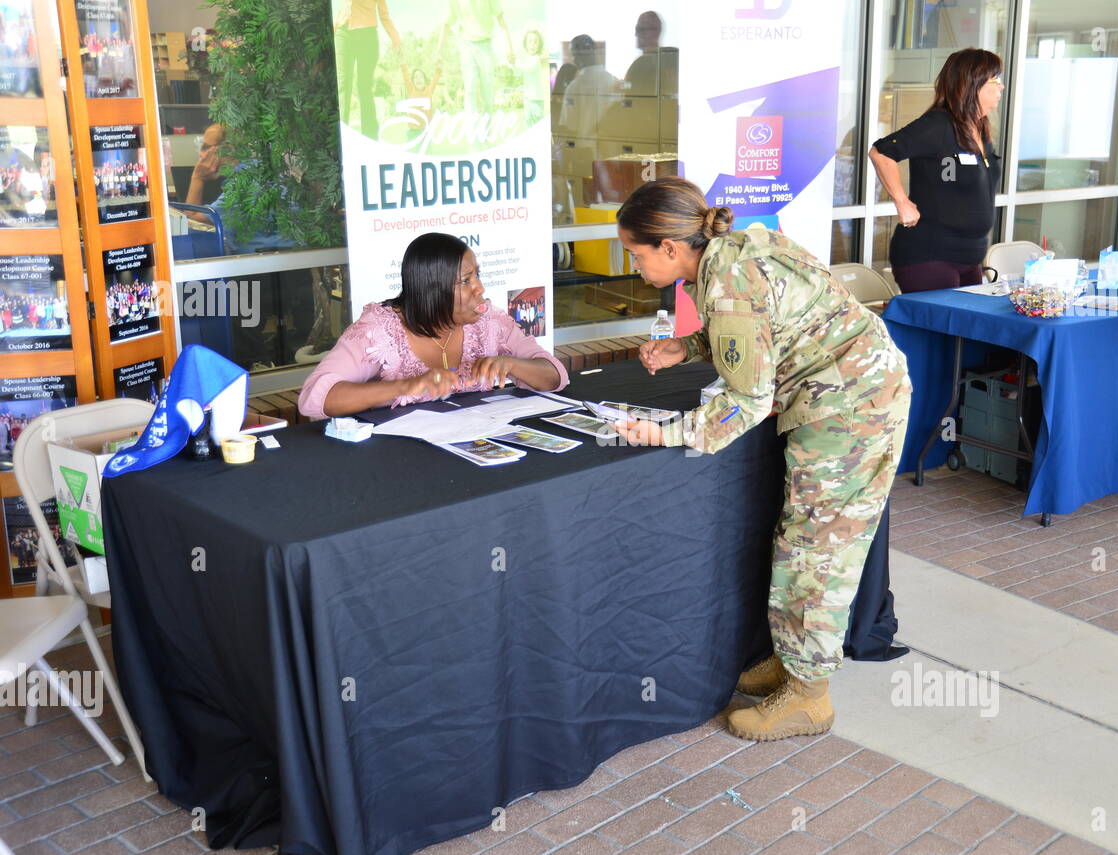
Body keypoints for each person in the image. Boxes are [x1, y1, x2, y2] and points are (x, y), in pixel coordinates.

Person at [611, 177, 912, 741]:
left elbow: (746, 401)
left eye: (636, 253)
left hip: (850, 407)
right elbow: (766, 325)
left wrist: (667, 433)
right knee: (799, 536)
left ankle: (809, 696)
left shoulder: (727, 282)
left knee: (816, 550)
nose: (633, 266)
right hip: (854, 393)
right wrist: (689, 345)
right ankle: (793, 658)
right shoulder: (735, 250)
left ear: (671, 248)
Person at [298, 233, 568, 419]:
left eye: (478, 275)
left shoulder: (490, 323)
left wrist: (511, 364)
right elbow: (314, 399)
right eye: (465, 281)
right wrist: (406, 387)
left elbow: (556, 376)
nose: (480, 288)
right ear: (432, 291)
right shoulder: (378, 331)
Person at [868, 48, 1004, 292]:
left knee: (967, 328)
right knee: (941, 329)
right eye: (995, 81)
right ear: (973, 84)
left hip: (970, 257)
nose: (1001, 88)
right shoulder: (938, 125)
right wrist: (902, 201)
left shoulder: (980, 129)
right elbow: (882, 152)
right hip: (929, 256)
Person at [335, 0, 402, 140]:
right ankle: (341, 135)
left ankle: (370, 137)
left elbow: (384, 15)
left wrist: (395, 38)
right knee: (343, 85)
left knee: (364, 87)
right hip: (343, 33)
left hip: (367, 35)